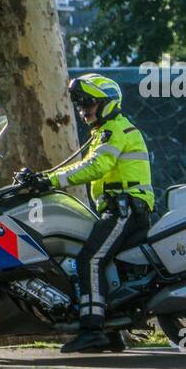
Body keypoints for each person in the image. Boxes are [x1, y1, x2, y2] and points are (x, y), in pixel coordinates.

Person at [36, 74, 154, 353]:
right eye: (80, 105)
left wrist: (50, 180)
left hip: (126, 209)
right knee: (101, 259)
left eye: (89, 103)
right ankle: (113, 333)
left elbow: (96, 167)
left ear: (108, 104)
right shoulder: (105, 132)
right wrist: (43, 177)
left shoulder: (117, 131)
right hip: (118, 209)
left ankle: (93, 329)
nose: (83, 110)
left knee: (90, 258)